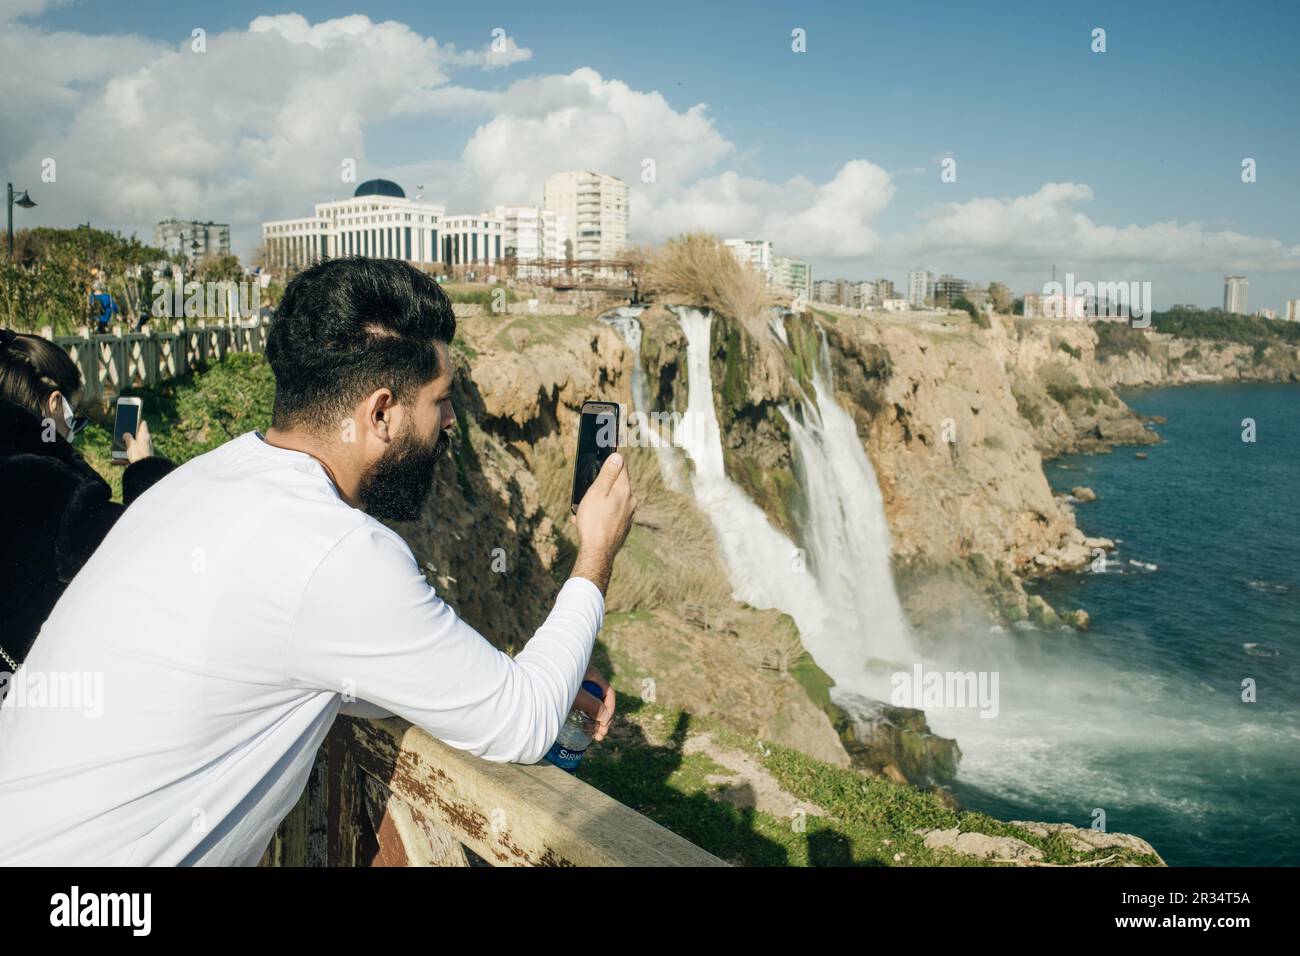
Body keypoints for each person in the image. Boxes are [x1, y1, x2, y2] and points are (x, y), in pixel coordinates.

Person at [0, 257, 636, 866]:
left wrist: (511, 672)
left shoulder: (203, 481)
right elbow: (521, 722)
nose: (450, 423)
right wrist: (597, 550)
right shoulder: (334, 550)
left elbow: (327, 664)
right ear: (381, 412)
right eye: (441, 400)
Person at [0, 328, 174, 671]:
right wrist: (144, 470)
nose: (72, 434)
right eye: (73, 417)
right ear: (54, 405)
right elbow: (148, 560)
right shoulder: (48, 487)